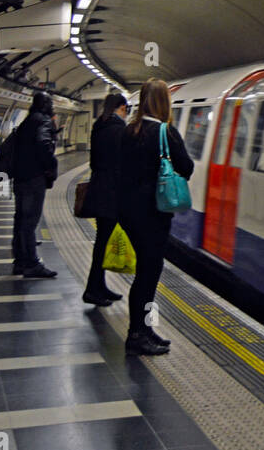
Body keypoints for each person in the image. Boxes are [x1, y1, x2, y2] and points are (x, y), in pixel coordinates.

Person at [117, 78, 193, 355]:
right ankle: (137, 333)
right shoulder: (165, 132)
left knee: (145, 272)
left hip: (128, 212)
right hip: (153, 214)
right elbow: (186, 167)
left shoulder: (128, 131)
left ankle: (144, 329)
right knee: (149, 274)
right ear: (163, 102)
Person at [81, 92, 128, 306]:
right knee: (103, 244)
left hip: (99, 191)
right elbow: (122, 165)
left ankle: (98, 286)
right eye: (125, 109)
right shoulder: (119, 131)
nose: (126, 114)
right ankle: (93, 289)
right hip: (112, 195)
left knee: (102, 243)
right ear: (120, 108)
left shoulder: (99, 127)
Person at [9, 91, 59, 278]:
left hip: (20, 178)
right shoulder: (43, 121)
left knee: (20, 220)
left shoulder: (26, 122)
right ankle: (31, 264)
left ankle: (20, 261)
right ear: (45, 105)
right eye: (50, 103)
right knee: (30, 222)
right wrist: (52, 166)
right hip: (34, 178)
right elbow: (43, 143)